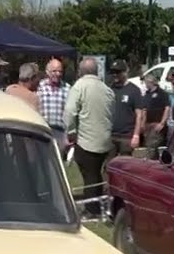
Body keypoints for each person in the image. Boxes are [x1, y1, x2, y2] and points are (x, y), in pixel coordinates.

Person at [64, 57, 114, 218]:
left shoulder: (79, 86)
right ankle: (98, 205)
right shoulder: (107, 89)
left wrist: (70, 131)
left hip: (87, 139)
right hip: (105, 139)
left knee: (89, 176)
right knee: (97, 174)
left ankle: (91, 209)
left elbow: (70, 111)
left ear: (80, 71)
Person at [107, 59, 145, 156]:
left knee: (124, 165)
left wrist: (136, 135)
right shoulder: (110, 89)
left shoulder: (134, 90)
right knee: (109, 165)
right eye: (113, 72)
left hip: (126, 136)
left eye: (118, 72)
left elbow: (139, 115)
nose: (115, 75)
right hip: (111, 135)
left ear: (125, 72)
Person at [38, 58, 70, 153]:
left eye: (60, 71)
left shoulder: (67, 88)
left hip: (60, 132)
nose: (58, 74)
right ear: (47, 72)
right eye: (54, 71)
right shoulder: (40, 86)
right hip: (43, 130)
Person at [141, 74, 171, 149]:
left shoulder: (162, 93)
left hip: (156, 124)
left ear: (151, 82)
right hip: (147, 124)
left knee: (153, 146)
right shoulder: (147, 94)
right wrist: (143, 123)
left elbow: (167, 108)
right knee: (146, 145)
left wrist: (162, 123)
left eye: (147, 82)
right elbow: (144, 109)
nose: (146, 84)